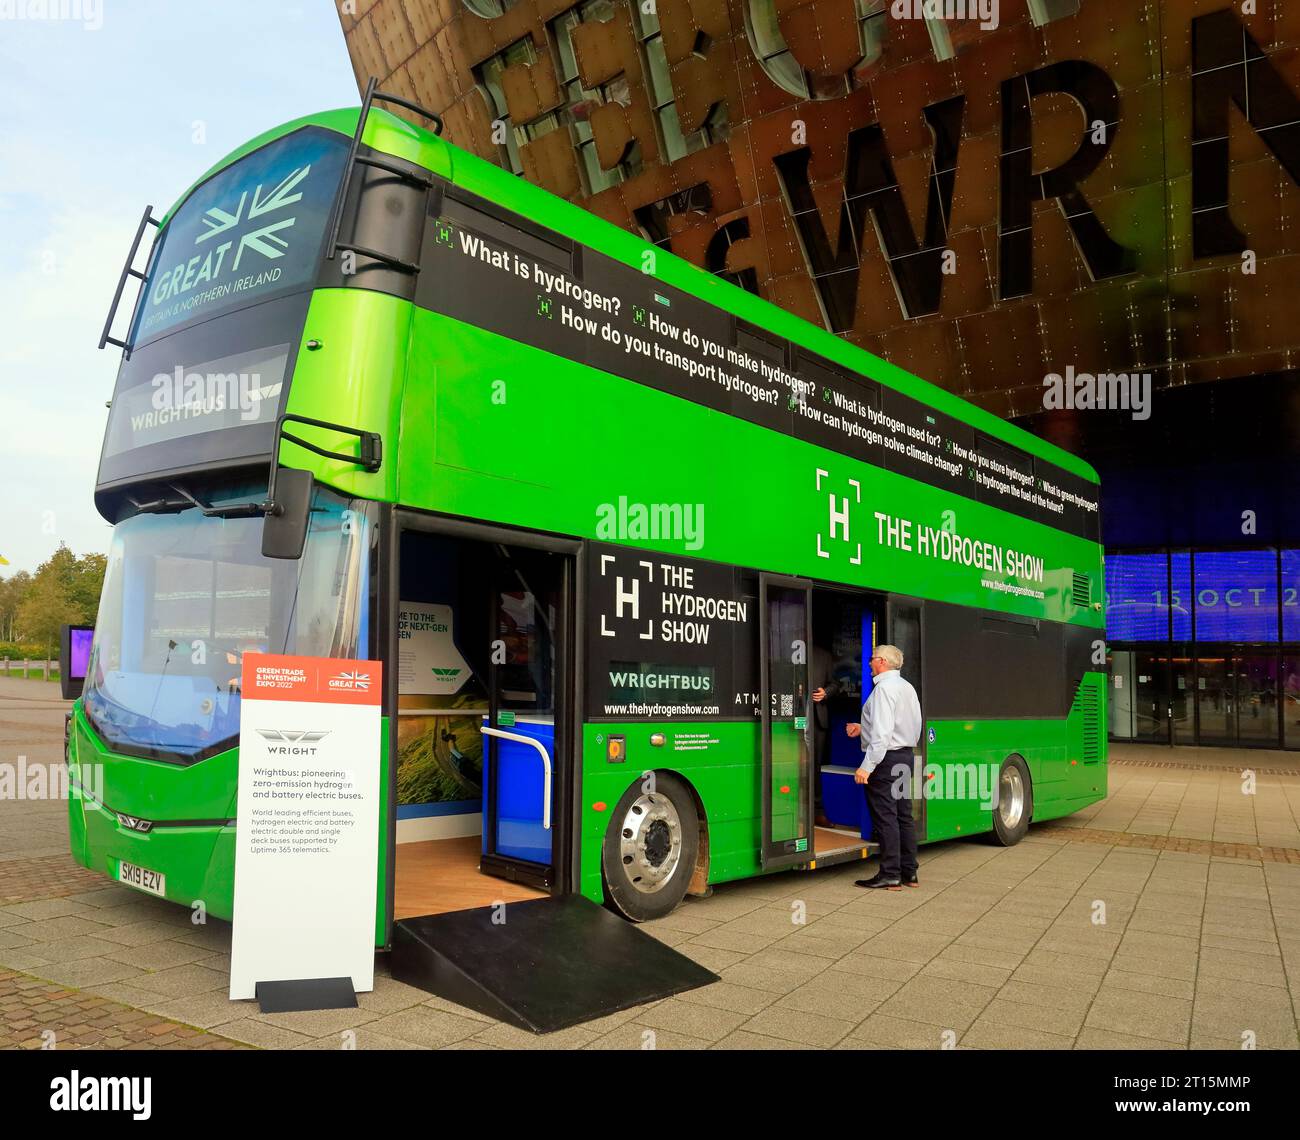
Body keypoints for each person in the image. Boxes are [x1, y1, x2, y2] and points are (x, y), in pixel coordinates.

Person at [846, 644, 921, 890]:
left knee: (886, 818)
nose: (869, 663)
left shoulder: (883, 690)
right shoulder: (907, 687)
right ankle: (909, 872)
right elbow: (910, 726)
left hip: (885, 760)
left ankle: (890, 873)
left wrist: (866, 766)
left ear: (883, 662)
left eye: (872, 659)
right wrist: (862, 728)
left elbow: (882, 735)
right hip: (905, 757)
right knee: (904, 816)